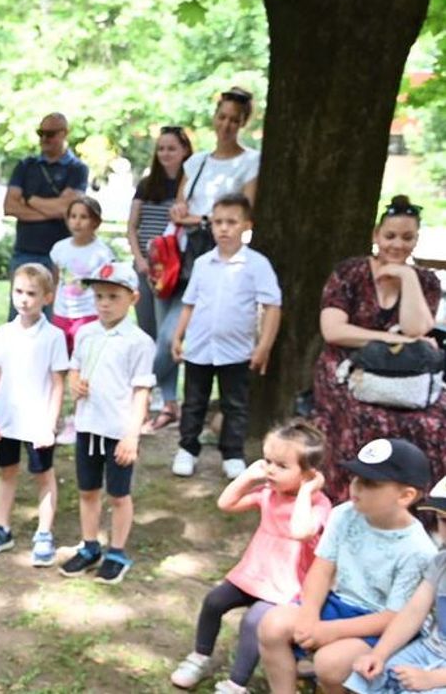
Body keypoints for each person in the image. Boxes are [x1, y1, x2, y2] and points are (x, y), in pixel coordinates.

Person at [258, 438, 438, 694]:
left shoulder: (418, 550)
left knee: (330, 664)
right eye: (356, 477)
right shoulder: (344, 514)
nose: (356, 488)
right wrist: (309, 613)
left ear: (406, 495)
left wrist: (329, 631)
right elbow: (322, 569)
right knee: (272, 625)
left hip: (380, 625)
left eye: (370, 483)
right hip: (338, 603)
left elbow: (393, 617)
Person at [169, 420, 332, 694]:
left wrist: (305, 491)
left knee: (254, 622)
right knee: (214, 601)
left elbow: (300, 531)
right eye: (267, 461)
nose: (270, 469)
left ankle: (236, 684)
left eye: (281, 465)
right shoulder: (269, 493)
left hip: (288, 585)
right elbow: (226, 503)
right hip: (255, 573)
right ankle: (199, 657)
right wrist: (249, 475)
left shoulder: (318, 504)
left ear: (308, 475)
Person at [312, 195, 446, 505]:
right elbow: (333, 330)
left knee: (434, 422)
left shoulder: (424, 280)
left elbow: (416, 330)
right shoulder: (349, 273)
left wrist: (406, 277)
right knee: (368, 417)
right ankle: (353, 502)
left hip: (405, 377)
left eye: (407, 237)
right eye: (390, 236)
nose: (397, 244)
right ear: (376, 235)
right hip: (348, 369)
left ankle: (418, 509)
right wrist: (386, 339)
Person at [171, 194, 282, 481]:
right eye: (218, 222)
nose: (223, 228)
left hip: (236, 350)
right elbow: (190, 303)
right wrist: (178, 336)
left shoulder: (256, 264)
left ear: (246, 225)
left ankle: (232, 454)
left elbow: (272, 306)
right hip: (199, 347)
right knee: (194, 401)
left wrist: (264, 347)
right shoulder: (203, 263)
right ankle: (187, 449)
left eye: (231, 222)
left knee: (235, 404)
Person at [58, 261, 155, 584]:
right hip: (88, 427)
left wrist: (132, 436)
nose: (104, 303)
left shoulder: (139, 341)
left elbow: (142, 390)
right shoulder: (85, 333)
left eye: (113, 296)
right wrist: (74, 382)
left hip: (117, 431)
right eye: (99, 296)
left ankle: (117, 551)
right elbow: (75, 367)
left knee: (118, 494)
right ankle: (89, 546)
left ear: (133, 299)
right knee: (87, 490)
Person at [0, 263, 68, 566]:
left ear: (47, 297)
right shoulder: (4, 333)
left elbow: (57, 384)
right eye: (18, 291)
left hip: (37, 422)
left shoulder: (53, 336)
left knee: (44, 475)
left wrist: (49, 426)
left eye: (32, 293)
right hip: (7, 421)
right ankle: (3, 528)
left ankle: (44, 534)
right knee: (7, 472)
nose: (24, 299)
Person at [347, 476, 446, 693]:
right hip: (431, 650)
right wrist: (378, 654)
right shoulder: (441, 563)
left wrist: (434, 679)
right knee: (369, 677)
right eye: (443, 520)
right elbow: (413, 612)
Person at [131, 127, 193, 434]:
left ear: (184, 150)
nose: (166, 154)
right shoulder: (147, 184)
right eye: (161, 149)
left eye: (171, 148)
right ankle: (169, 404)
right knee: (152, 337)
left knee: (170, 339)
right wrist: (140, 260)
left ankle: (129, 390)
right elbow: (133, 227)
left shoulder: (192, 186)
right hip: (148, 272)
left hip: (179, 272)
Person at [3, 112, 90, 321]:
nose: (44, 139)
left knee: (55, 316)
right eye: (40, 133)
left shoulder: (77, 169)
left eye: (50, 134)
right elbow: (10, 206)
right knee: (20, 315)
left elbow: (66, 209)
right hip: (25, 251)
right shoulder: (25, 166)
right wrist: (53, 209)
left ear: (64, 133)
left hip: (59, 255)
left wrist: (30, 200)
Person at [170, 88, 261, 232]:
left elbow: (246, 215)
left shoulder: (251, 161)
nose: (226, 125)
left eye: (234, 120)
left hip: (223, 244)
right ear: (214, 117)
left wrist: (197, 220)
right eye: (222, 117)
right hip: (187, 246)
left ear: (243, 123)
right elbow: (179, 208)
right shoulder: (196, 162)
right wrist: (178, 210)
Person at [49, 196, 116, 356]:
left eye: (83, 217)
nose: (77, 222)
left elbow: (107, 285)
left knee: (83, 361)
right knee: (59, 360)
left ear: (96, 222)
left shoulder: (102, 253)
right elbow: (56, 279)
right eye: (73, 216)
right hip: (62, 314)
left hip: (88, 315)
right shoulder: (60, 248)